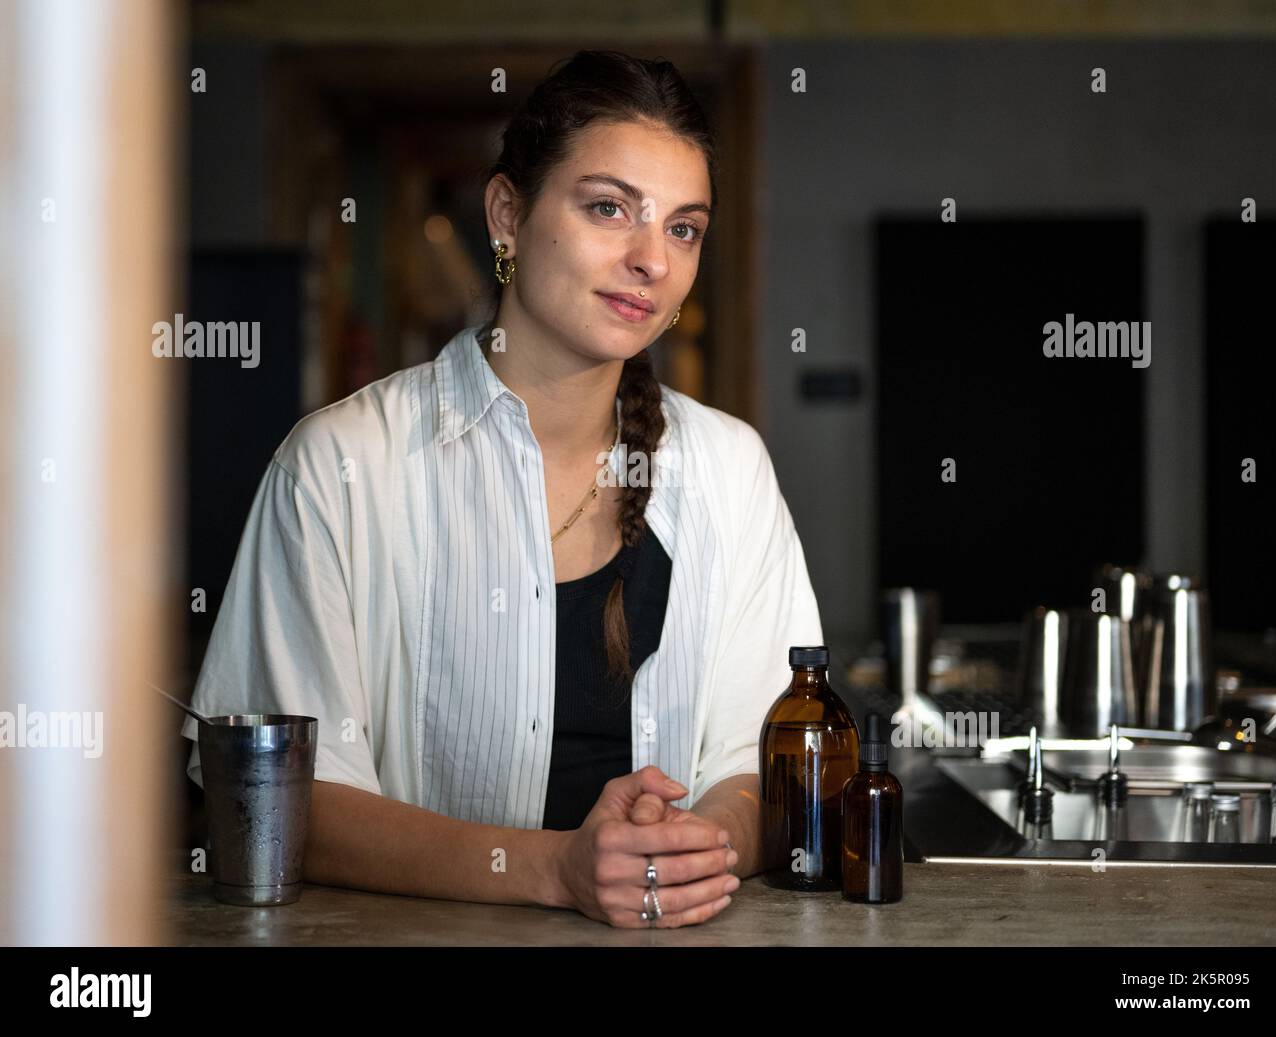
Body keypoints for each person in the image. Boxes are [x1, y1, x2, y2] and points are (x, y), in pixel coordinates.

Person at [181, 50, 823, 929]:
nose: (651, 259)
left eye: (684, 228)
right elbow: (277, 802)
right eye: (608, 208)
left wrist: (695, 845)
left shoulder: (729, 467)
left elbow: (763, 765)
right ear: (507, 214)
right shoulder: (340, 464)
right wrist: (555, 868)